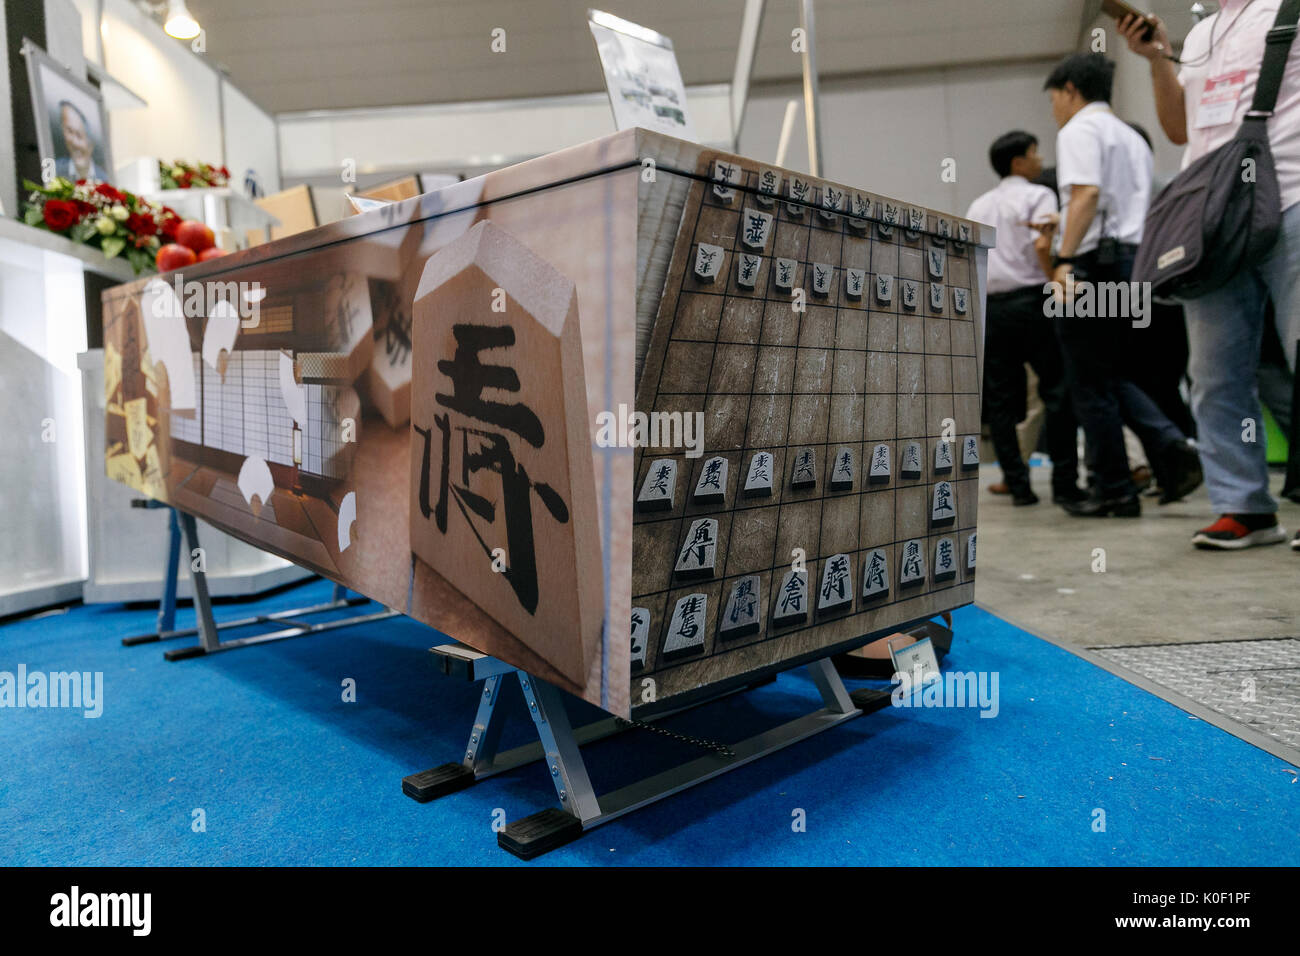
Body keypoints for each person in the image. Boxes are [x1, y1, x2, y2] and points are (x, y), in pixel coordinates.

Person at [1121, 5, 1299, 551]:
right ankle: (1244, 506)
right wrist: (1155, 60)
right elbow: (1180, 128)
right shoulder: (1200, 33)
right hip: (1212, 220)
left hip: (1291, 193)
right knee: (1213, 371)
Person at [1044, 52, 1202, 517]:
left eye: (1055, 98)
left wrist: (1065, 259)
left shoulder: (1078, 130)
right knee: (1111, 373)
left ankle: (1115, 489)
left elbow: (1087, 194)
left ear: (1071, 89)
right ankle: (1171, 446)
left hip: (1093, 263)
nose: (1056, 108)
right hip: (1134, 264)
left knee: (1087, 382)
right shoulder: (1132, 137)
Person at [967, 131, 1084, 506]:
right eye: (1034, 153)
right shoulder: (1039, 195)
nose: (1040, 160)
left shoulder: (978, 205)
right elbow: (1042, 244)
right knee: (1057, 390)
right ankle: (1065, 483)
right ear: (1018, 162)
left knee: (1001, 399)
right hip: (1033, 301)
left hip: (992, 306)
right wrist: (1055, 279)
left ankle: (1018, 486)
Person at [52, 100, 110, 182]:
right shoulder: (55, 170)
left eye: (79, 135)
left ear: (91, 144)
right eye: (69, 131)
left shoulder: (105, 180)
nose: (74, 143)